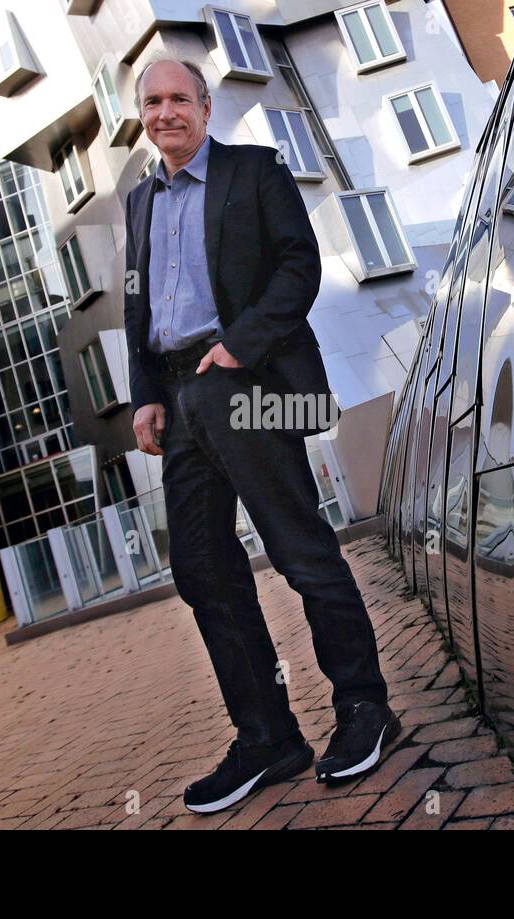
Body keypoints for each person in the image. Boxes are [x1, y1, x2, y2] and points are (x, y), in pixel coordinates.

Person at [122, 58, 398, 814]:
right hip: (178, 397)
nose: (166, 111)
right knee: (201, 571)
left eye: (180, 97)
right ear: (141, 114)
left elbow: (298, 264)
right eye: (153, 101)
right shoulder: (139, 201)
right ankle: (269, 736)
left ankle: (365, 707)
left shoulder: (253, 172)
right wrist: (145, 395)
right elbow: (136, 306)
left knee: (298, 547)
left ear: (206, 108)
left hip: (245, 382)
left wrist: (239, 345)